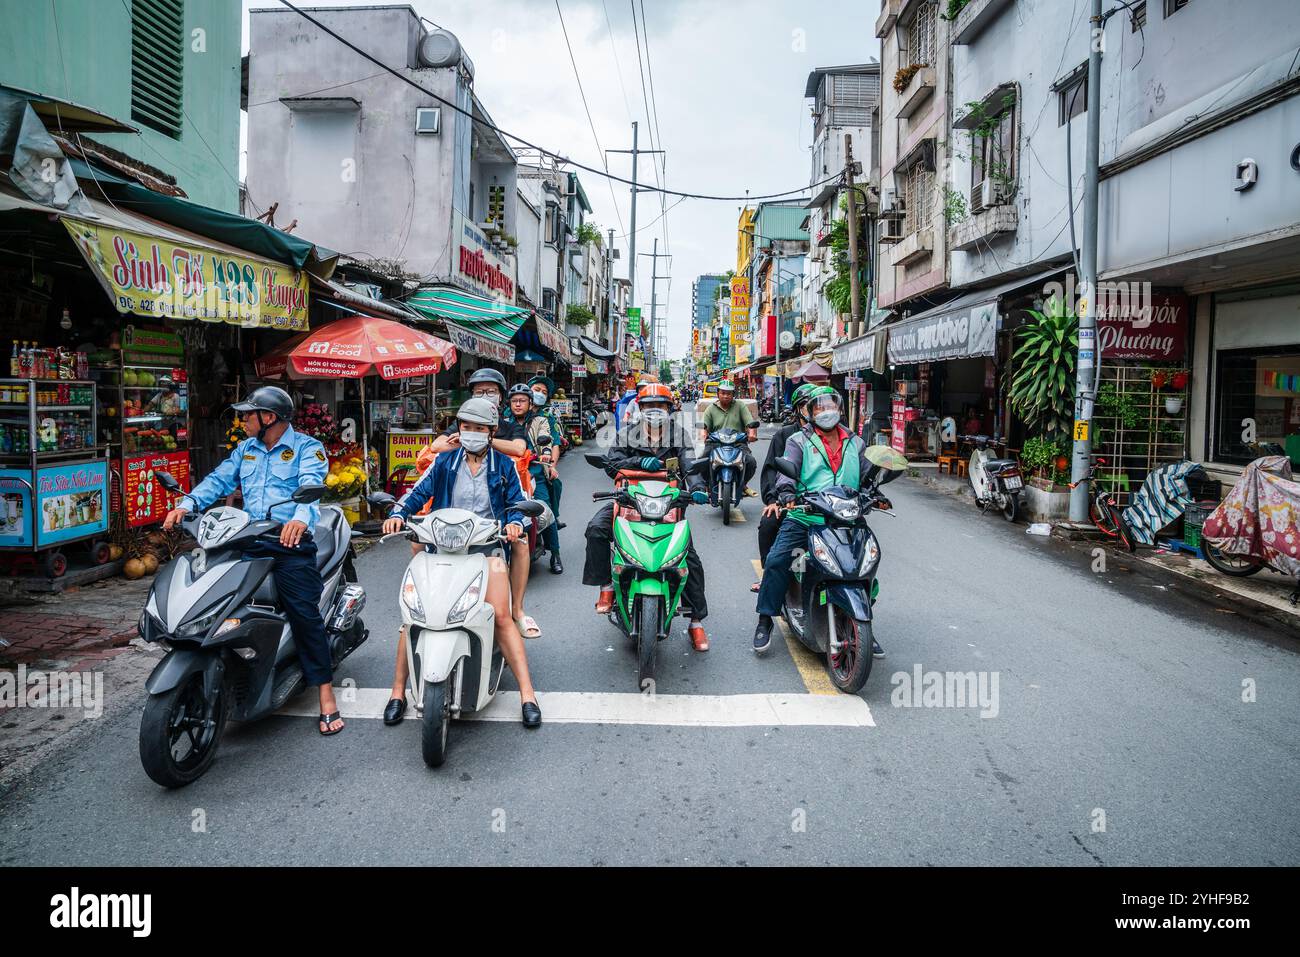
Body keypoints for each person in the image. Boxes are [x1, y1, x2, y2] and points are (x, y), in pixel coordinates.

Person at [163, 386, 345, 736]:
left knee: (304, 613)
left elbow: (311, 485)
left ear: (269, 418)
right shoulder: (245, 450)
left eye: (248, 414)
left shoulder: (307, 448)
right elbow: (218, 481)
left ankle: (325, 692)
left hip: (289, 543)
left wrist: (299, 519)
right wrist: (187, 505)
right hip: (247, 539)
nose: (242, 419)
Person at [380, 398, 542, 728]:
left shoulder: (504, 466)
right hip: (442, 550)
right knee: (413, 617)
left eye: (479, 429)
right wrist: (398, 514)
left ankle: (528, 694)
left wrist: (515, 524)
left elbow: (515, 505)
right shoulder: (444, 462)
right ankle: (397, 691)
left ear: (491, 432)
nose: (471, 433)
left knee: (500, 615)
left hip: (486, 549)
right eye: (466, 427)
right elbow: (415, 495)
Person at [752, 385, 885, 659]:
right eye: (820, 407)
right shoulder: (798, 441)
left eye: (831, 406)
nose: (827, 412)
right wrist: (786, 492)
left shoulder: (856, 442)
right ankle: (765, 619)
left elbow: (867, 476)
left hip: (847, 519)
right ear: (811, 413)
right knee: (777, 560)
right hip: (806, 516)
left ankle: (861, 621)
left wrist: (877, 493)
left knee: (864, 563)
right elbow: (786, 472)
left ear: (840, 410)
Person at [583, 383, 712, 651]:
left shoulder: (679, 435)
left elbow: (690, 465)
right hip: (629, 500)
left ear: (670, 409)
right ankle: (607, 584)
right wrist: (638, 463)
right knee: (596, 528)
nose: (655, 411)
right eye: (649, 406)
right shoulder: (627, 434)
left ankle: (696, 621)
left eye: (661, 406)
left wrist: (698, 488)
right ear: (640, 409)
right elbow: (611, 463)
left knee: (689, 559)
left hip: (668, 503)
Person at [423, 370, 541, 638]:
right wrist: (462, 440)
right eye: (479, 392)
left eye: (490, 391)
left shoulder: (509, 424)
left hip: (499, 503)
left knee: (520, 540)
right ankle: (425, 606)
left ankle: (518, 610)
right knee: (418, 538)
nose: (485, 396)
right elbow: (437, 445)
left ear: (500, 397)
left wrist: (482, 440)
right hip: (456, 513)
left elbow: (518, 449)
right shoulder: (462, 425)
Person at [752, 382, 820, 593]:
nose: (814, 411)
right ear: (799, 410)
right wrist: (774, 499)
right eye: (808, 406)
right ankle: (768, 577)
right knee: (768, 523)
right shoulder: (785, 436)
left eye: (817, 407)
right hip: (791, 500)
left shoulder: (836, 437)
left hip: (825, 502)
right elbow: (772, 469)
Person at [523, 377, 564, 576]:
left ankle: (555, 553)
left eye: (543, 391)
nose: (538, 393)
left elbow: (552, 444)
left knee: (544, 510)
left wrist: (550, 465)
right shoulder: (507, 416)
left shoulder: (546, 418)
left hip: (536, 470)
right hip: (511, 470)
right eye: (535, 389)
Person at [697, 379, 758, 499]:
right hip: (716, 443)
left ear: (733, 395)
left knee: (750, 462)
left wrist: (752, 433)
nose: (726, 396)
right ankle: (705, 485)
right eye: (723, 393)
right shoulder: (711, 409)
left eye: (729, 393)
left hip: (737, 443)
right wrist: (703, 434)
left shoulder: (740, 406)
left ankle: (743, 484)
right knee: (702, 461)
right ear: (718, 394)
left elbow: (749, 422)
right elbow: (704, 425)